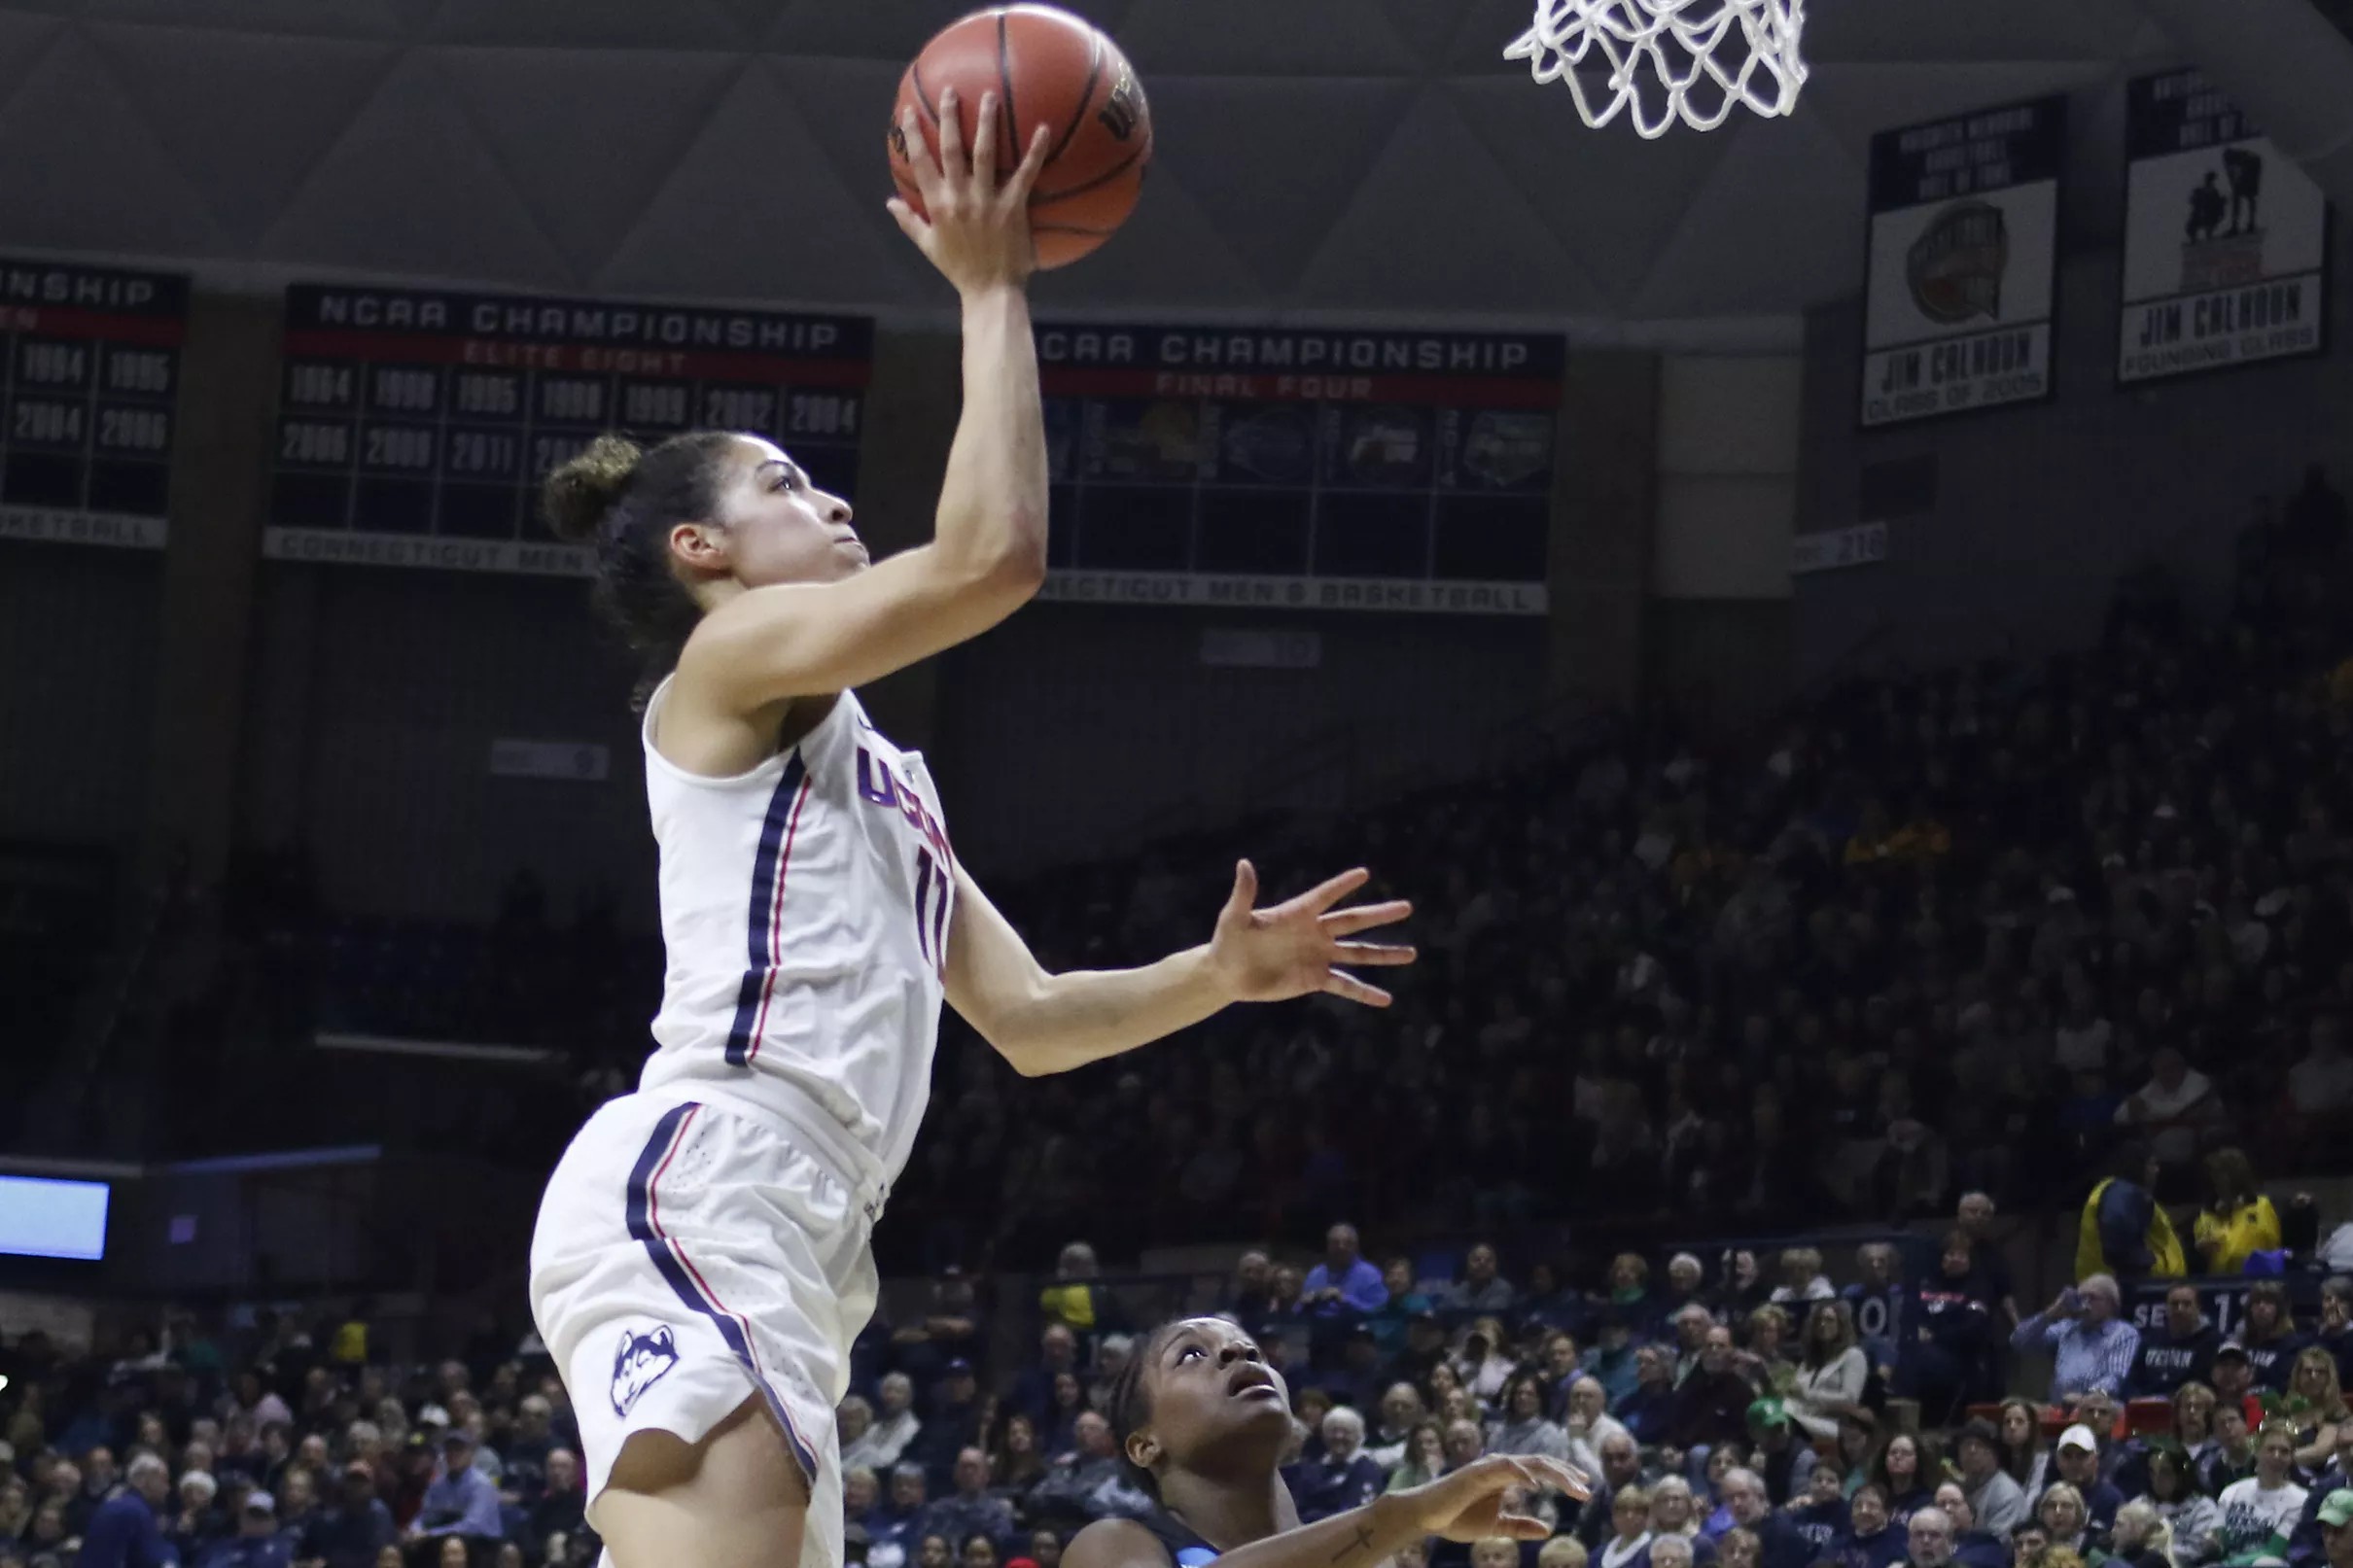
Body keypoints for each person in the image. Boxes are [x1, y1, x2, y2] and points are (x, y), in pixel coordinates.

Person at [524, 84, 1422, 1568]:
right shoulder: (723, 665)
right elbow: (992, 557)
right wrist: (994, 288)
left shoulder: (880, 779)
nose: (830, 505)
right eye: (785, 486)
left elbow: (1036, 1020)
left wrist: (1216, 975)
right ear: (702, 552)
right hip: (712, 1170)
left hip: (812, 1234)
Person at [1064, 1316, 1589, 1568]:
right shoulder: (1110, 1546)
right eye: (1192, 1355)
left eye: (1251, 1350)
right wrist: (1403, 1516)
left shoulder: (1369, 1557)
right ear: (1144, 1444)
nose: (1239, 1354)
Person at [2012, 1276, 2140, 1401]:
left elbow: (2114, 1378)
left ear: (2111, 1304)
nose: (2085, 1304)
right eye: (2081, 1298)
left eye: (2092, 1298)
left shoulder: (2123, 1333)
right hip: (2059, 1406)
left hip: (2099, 1407)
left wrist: (2085, 1399)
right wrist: (2051, 1313)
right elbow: (2019, 1341)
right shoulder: (2067, 1328)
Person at [2075, 1148, 2186, 1286]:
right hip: (2128, 1288)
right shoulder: (2121, 1192)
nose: (2157, 1170)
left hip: (2122, 1286)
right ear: (2138, 1166)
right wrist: (2144, 1264)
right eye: (2152, 1164)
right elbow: (2117, 1232)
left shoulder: (2120, 1193)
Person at [2214, 1427, 2306, 1563]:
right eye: (2270, 1449)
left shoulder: (2299, 1500)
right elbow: (2218, 1539)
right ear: (2257, 1452)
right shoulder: (2232, 1491)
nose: (2276, 1456)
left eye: (2284, 1451)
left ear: (2291, 1458)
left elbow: (2273, 1551)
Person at [1281, 1409, 1385, 1524]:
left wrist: (1312, 1517)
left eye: (1346, 1432)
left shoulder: (1366, 1469)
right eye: (1333, 1431)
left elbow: (1355, 1512)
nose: (1338, 1436)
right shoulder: (1312, 1469)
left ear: (1358, 1436)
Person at [2194, 1151, 2281, 1278]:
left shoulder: (2261, 1206)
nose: (2216, 1180)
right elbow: (2197, 1259)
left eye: (2220, 1174)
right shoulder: (2206, 1214)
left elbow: (2273, 1247)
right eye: (2213, 1174)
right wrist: (2200, 1254)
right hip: (2220, 1284)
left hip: (2258, 1282)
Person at [1787, 1305, 1868, 1443]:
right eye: (1819, 1320)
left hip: (1834, 1424)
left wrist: (1809, 1395)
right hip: (1803, 1417)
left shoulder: (1853, 1355)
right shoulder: (1809, 1360)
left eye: (1829, 1320)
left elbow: (1850, 1399)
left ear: (1841, 1325)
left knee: (1787, 1422)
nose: (1823, 1324)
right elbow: (1795, 1392)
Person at [81, 1452, 176, 1568]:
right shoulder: (137, 1511)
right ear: (145, 1479)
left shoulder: (110, 1504)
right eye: (164, 1480)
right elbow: (153, 1560)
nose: (167, 1488)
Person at [2130, 1283, 2221, 1398]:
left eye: (2187, 1304)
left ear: (2198, 1308)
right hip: (2146, 1403)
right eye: (2174, 1304)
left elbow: (2205, 1385)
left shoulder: (2211, 1342)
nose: (2179, 1309)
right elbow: (2133, 1379)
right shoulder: (2151, 1339)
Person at [2139, 1447, 2218, 1568]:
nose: (2157, 1479)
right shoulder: (2141, 1504)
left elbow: (2196, 1549)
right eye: (2152, 1472)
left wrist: (2152, 1556)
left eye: (2165, 1473)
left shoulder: (2203, 1508)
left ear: (2181, 1475)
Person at [2048, 1425, 2125, 1537]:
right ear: (2057, 1460)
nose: (2074, 1463)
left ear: (2096, 1459)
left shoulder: (2111, 1500)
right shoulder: (2048, 1497)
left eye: (2082, 1456)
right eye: (2067, 1456)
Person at [1954, 1421, 2026, 1540]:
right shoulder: (1957, 1489)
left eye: (1980, 1445)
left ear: (1995, 1453)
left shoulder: (2007, 1493)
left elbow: (1994, 1544)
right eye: (1966, 1444)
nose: (1972, 1450)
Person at [2240, 1283, 2310, 1394]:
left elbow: (2286, 1386)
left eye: (2268, 1302)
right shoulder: (2242, 1342)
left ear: (2279, 1310)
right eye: (2256, 1302)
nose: (2261, 1307)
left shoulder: (2293, 1345)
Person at [199, 1491, 294, 1568]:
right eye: (251, 1514)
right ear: (241, 1517)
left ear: (272, 1521)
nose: (254, 1521)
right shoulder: (221, 1546)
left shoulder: (278, 1550)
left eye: (260, 1516)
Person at [1833, 1484, 1907, 1568]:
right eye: (1858, 1505)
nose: (1864, 1511)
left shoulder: (1898, 1546)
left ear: (1887, 1512)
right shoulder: (1836, 1544)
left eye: (1872, 1505)